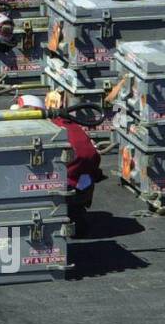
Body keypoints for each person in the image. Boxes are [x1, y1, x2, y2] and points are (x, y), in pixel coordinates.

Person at [11, 94, 104, 230]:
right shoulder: (64, 123)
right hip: (84, 182)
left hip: (65, 184)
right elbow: (91, 155)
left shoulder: (43, 133)